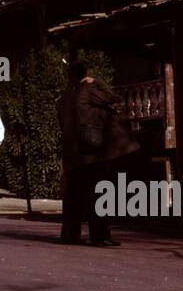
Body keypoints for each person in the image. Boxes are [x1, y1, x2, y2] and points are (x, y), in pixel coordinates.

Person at [57, 61, 137, 246]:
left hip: (71, 153)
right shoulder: (88, 90)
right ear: (85, 73)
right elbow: (112, 97)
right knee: (97, 192)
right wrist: (97, 81)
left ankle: (70, 235)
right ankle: (100, 235)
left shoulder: (64, 96)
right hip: (90, 151)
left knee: (73, 195)